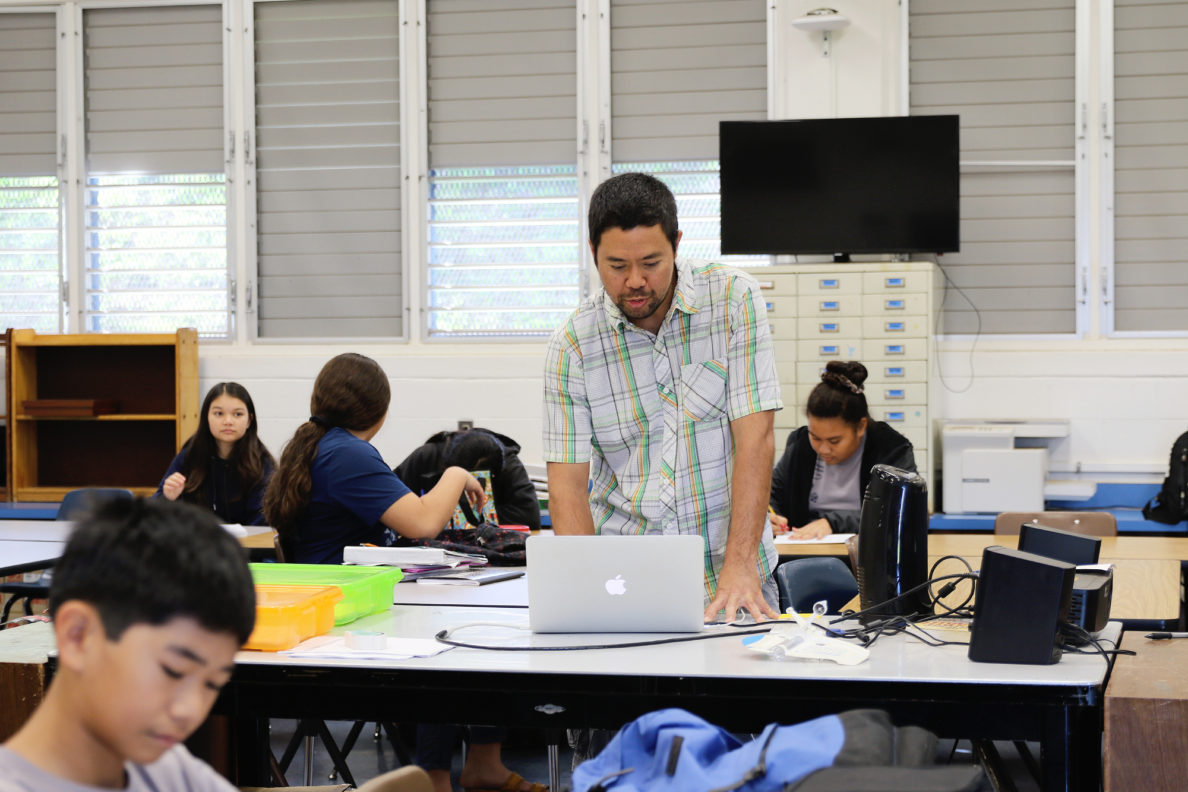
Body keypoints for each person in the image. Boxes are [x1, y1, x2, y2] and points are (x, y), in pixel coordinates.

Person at [263, 352, 543, 792]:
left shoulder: (323, 447)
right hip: (339, 618)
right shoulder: (346, 453)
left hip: (334, 602)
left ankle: (482, 762)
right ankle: (437, 774)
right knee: (451, 640)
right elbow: (424, 521)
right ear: (379, 410)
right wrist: (455, 472)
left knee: (463, 628)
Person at [543, 172, 783, 624]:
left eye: (651, 262)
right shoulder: (573, 345)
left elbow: (756, 441)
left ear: (676, 244)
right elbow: (567, 487)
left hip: (733, 575)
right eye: (617, 266)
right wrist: (588, 591)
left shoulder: (733, 301)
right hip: (628, 580)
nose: (635, 281)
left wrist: (741, 565)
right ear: (593, 253)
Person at [0, 497, 255, 791]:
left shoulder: (170, 772)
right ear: (78, 635)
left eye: (212, 685)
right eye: (173, 671)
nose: (190, 710)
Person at [769, 360, 916, 539]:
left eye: (834, 441)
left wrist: (832, 522)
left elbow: (903, 511)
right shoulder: (800, 445)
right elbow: (772, 493)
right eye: (815, 437)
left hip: (868, 551)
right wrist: (770, 518)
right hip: (803, 548)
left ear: (861, 427)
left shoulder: (891, 449)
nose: (823, 449)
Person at [156, 382, 275, 525]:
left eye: (237, 414)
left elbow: (263, 520)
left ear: (249, 420)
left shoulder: (262, 462)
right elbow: (153, 509)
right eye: (219, 413)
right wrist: (167, 498)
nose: (228, 421)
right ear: (206, 417)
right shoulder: (190, 455)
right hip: (197, 542)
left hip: (246, 545)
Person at [394, 427, 541, 531]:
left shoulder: (508, 463)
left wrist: (472, 518)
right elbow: (391, 504)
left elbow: (529, 518)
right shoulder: (428, 456)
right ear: (448, 466)